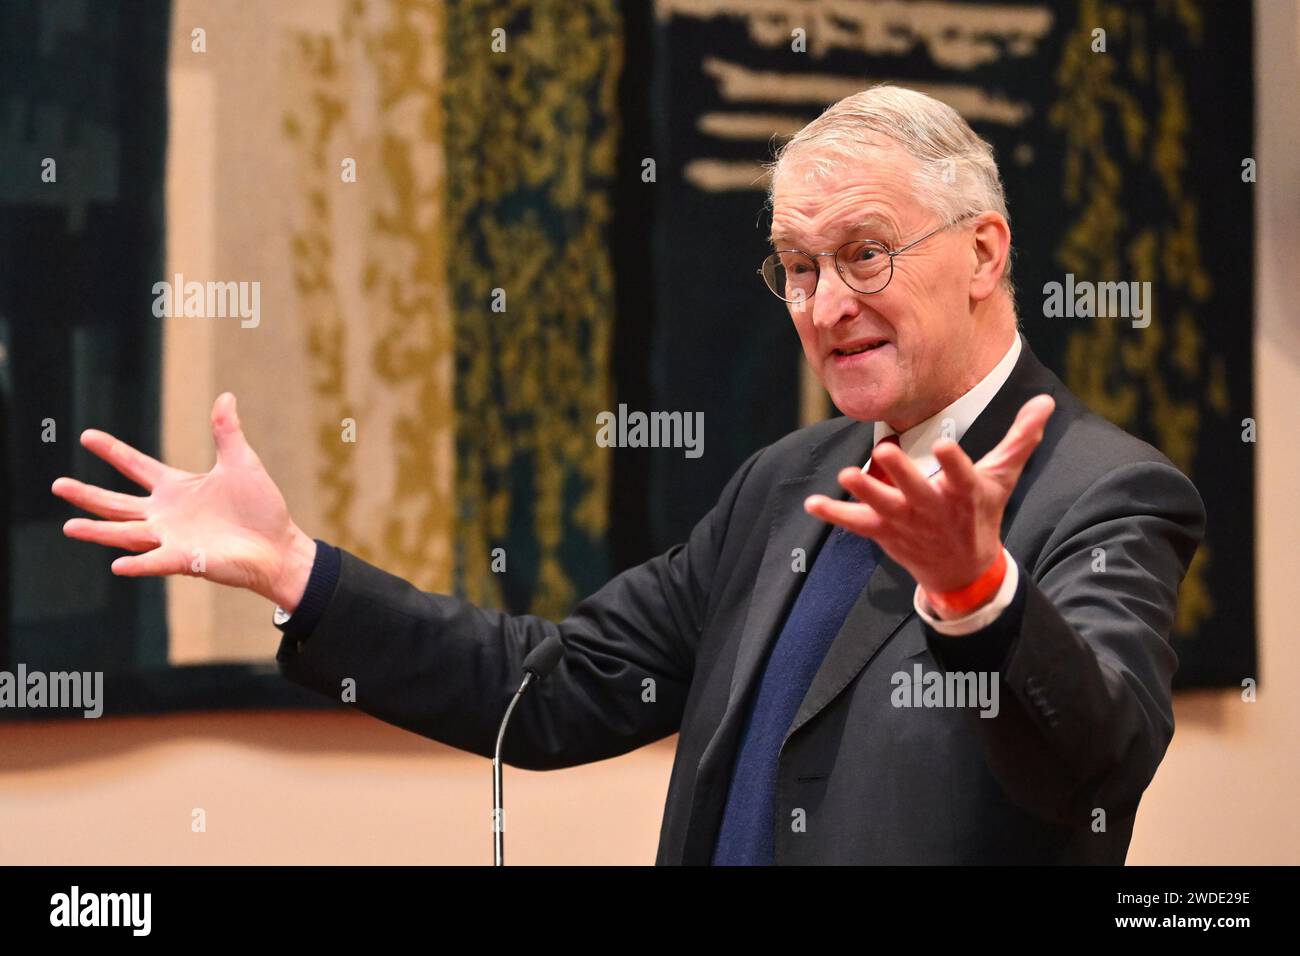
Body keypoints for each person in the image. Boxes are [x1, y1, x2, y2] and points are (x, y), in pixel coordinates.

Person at [52, 86, 1204, 865]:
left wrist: (978, 597)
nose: (827, 305)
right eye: (797, 267)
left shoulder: (1105, 489)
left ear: (984, 251)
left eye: (863, 251)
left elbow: (1096, 771)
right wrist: (298, 572)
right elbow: (554, 687)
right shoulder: (785, 480)